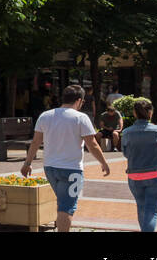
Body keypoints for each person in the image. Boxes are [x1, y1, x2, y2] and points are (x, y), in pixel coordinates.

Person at [21, 84, 111, 232]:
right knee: (67, 207)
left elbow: (36, 142)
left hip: (50, 168)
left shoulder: (46, 115)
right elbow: (92, 144)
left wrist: (27, 163)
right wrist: (103, 162)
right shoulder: (81, 118)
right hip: (72, 170)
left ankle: (61, 226)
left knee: (62, 203)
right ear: (79, 100)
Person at [120, 98, 157, 231]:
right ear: (150, 113)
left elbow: (126, 153)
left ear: (134, 113)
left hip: (134, 176)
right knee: (151, 211)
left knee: (141, 207)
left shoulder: (127, 132)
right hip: (156, 175)